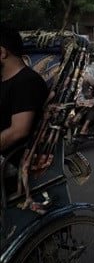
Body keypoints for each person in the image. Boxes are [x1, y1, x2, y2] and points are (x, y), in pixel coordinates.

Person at [0, 25, 50, 163]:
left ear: (2, 52)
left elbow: (19, 130)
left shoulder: (26, 82)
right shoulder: (5, 81)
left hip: (11, 160)